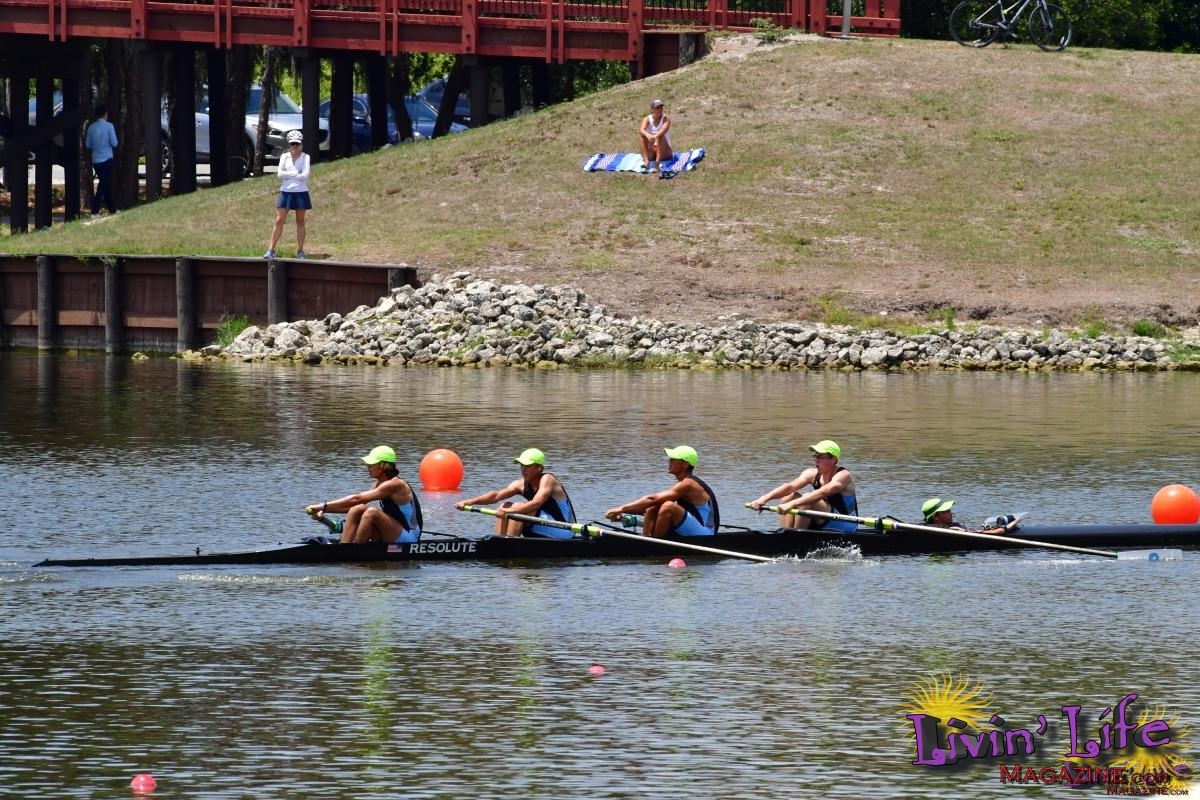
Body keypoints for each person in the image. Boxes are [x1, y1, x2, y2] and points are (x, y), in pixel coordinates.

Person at [305, 445, 422, 544]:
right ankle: (345, 545)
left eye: (371, 465)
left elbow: (356, 498)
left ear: (382, 465)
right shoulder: (378, 485)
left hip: (410, 536)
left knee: (371, 512)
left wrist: (322, 505)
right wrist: (324, 511)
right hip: (394, 531)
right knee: (358, 508)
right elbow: (352, 508)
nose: (368, 467)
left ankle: (354, 551)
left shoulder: (396, 484)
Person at [454, 448, 577, 538]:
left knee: (517, 507)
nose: (523, 469)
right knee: (505, 505)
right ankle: (500, 541)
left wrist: (512, 511)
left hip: (564, 529)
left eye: (528, 465)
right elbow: (496, 496)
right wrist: (469, 501)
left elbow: (536, 503)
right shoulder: (519, 484)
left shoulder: (548, 479)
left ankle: (509, 545)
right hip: (541, 526)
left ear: (539, 468)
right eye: (521, 465)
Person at [604, 445, 720, 537]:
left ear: (685, 464)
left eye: (674, 459)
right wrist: (623, 513)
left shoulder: (688, 484)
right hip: (694, 527)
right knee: (653, 507)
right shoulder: (681, 484)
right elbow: (650, 505)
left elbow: (652, 498)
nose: (669, 461)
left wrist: (620, 508)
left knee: (668, 506)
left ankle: (653, 545)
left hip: (706, 533)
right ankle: (646, 539)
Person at [747, 440, 859, 532]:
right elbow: (789, 487)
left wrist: (791, 504)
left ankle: (797, 538)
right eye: (815, 456)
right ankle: (785, 534)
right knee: (789, 496)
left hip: (846, 523)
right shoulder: (812, 473)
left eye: (820, 457)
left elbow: (822, 493)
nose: (816, 460)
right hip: (824, 519)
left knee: (809, 498)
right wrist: (764, 498)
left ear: (833, 459)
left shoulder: (844, 475)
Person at [265, 129, 311, 259]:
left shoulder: (305, 157)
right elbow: (280, 174)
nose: (295, 146)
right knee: (279, 220)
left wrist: (289, 175)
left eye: (297, 144)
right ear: (289, 144)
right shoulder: (284, 156)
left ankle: (300, 250)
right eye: (292, 144)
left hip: (301, 192)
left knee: (300, 221)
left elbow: (305, 175)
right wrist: (297, 173)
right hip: (286, 192)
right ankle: (270, 249)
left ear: (301, 144)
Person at [84, 103, 118, 216]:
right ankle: (95, 211)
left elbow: (88, 145)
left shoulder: (91, 127)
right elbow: (114, 143)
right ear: (105, 114)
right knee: (103, 185)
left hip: (96, 161)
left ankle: (113, 209)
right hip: (107, 159)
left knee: (105, 184)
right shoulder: (109, 126)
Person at [921, 498, 1021, 535]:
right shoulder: (953, 530)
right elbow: (995, 533)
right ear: (936, 517)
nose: (951, 513)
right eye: (947, 511)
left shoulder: (942, 527)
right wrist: (1009, 525)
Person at [637, 99, 673, 172]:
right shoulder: (647, 119)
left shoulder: (666, 119)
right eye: (657, 108)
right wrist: (647, 135)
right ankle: (647, 162)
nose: (660, 110)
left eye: (661, 108)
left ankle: (657, 166)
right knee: (642, 136)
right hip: (653, 150)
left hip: (665, 152)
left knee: (660, 137)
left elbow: (663, 130)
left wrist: (654, 137)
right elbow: (641, 130)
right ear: (652, 109)